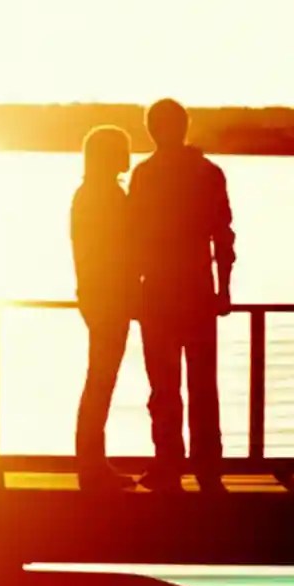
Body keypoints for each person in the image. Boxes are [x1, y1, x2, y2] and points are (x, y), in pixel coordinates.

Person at [128, 98, 235, 492]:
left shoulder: (146, 175)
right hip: (196, 292)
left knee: (165, 388)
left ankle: (170, 465)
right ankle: (207, 469)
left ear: (152, 129)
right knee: (202, 386)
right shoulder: (207, 173)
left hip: (158, 292)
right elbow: (222, 235)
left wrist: (130, 291)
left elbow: (131, 242)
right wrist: (223, 289)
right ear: (184, 126)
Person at [70, 125, 136, 490]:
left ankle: (92, 463)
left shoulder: (87, 193)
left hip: (96, 296)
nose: (128, 156)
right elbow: (119, 249)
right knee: (100, 381)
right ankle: (92, 467)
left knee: (99, 379)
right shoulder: (106, 195)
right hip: (108, 299)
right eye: (123, 149)